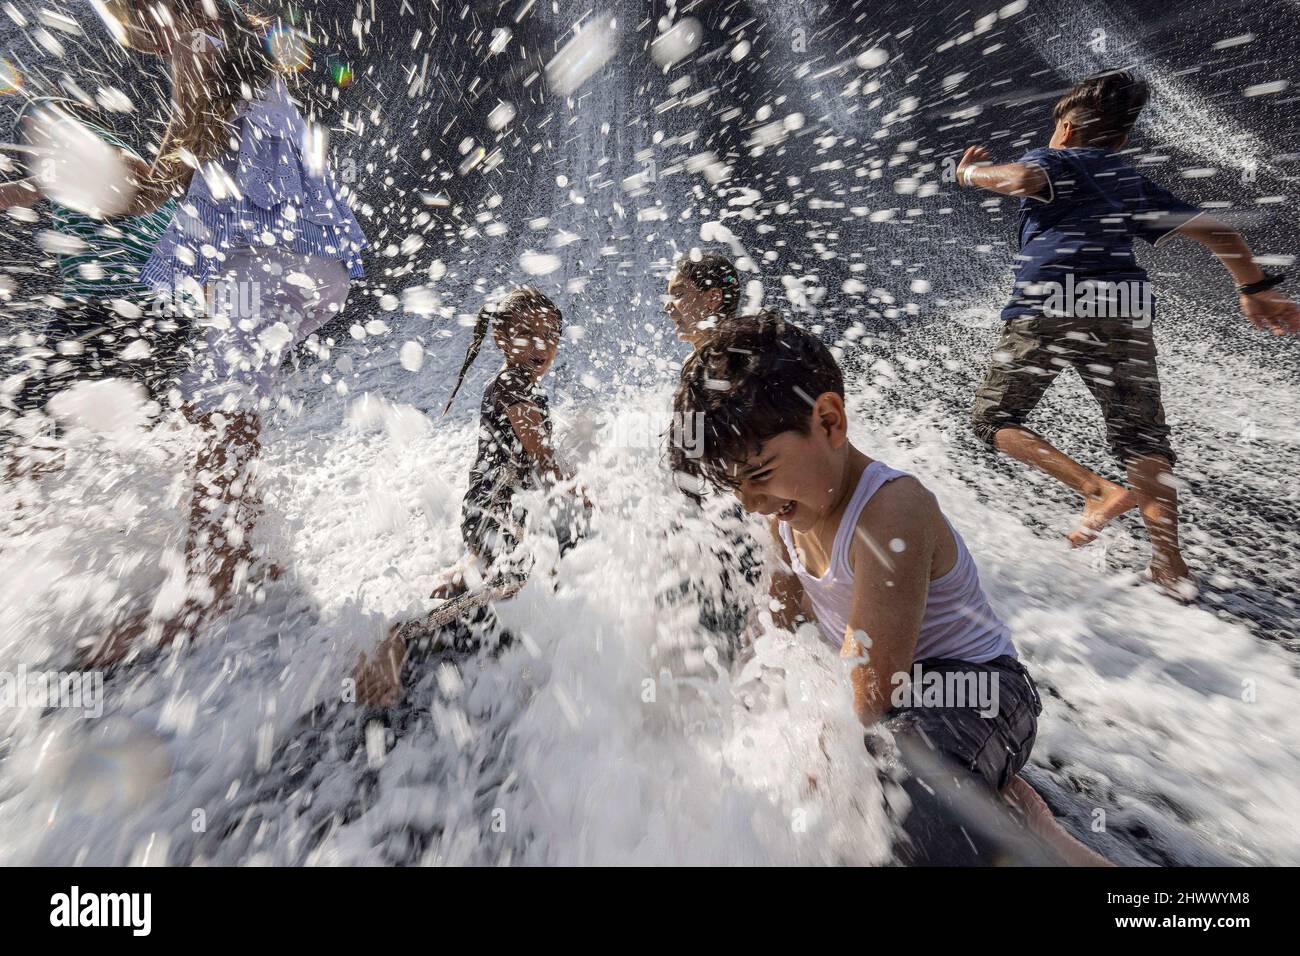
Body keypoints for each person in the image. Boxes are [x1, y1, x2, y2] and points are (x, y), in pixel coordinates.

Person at [670, 314, 1109, 866]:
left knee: (898, 794)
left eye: (759, 475)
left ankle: (990, 816)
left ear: (829, 421)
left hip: (980, 693)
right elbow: (775, 622)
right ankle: (1015, 824)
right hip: (910, 712)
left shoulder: (891, 510)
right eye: (736, 487)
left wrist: (828, 754)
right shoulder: (785, 515)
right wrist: (752, 713)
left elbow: (874, 688)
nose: (751, 503)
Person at [87, 0, 367, 664]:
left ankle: (207, 590)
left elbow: (193, 137)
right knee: (208, 399)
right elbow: (212, 144)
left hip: (276, 258)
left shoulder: (194, 32)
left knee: (219, 404)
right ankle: (243, 553)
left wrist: (130, 193)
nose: (128, 39)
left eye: (121, 22)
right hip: (299, 257)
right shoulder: (228, 30)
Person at [957, 69, 1300, 597]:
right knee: (1142, 438)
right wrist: (1256, 288)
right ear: (1120, 140)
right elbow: (1218, 231)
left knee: (993, 419)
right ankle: (1169, 565)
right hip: (1123, 306)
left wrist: (972, 175)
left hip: (1052, 298)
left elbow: (1020, 180)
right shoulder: (1128, 180)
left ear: (1066, 130)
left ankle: (1095, 491)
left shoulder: (1055, 159)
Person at [353, 288, 587, 707]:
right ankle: (402, 638)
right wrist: (581, 493)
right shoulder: (513, 391)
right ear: (502, 339)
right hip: (493, 512)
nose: (541, 346)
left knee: (528, 562)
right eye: (528, 334)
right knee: (513, 577)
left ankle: (464, 574)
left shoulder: (520, 386)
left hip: (499, 508)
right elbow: (545, 457)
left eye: (550, 335)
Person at [0, 97, 180, 478]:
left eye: (39, 126)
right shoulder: (76, 164)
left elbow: (131, 174)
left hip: (107, 308)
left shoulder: (85, 153)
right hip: (160, 313)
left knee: (25, 420)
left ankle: (16, 512)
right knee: (155, 423)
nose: (34, 138)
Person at [664, 251, 742, 349]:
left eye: (678, 294)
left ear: (714, 297)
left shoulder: (732, 362)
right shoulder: (736, 357)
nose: (667, 306)